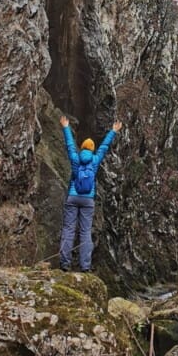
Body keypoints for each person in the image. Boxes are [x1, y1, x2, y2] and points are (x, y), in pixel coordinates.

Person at [59, 115, 122, 273]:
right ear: (92, 149)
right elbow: (104, 147)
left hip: (73, 197)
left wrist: (66, 127)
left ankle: (64, 264)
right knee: (85, 232)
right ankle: (85, 266)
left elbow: (70, 145)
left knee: (68, 229)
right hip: (88, 199)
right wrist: (113, 131)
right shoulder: (94, 160)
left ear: (82, 148)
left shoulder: (75, 158)